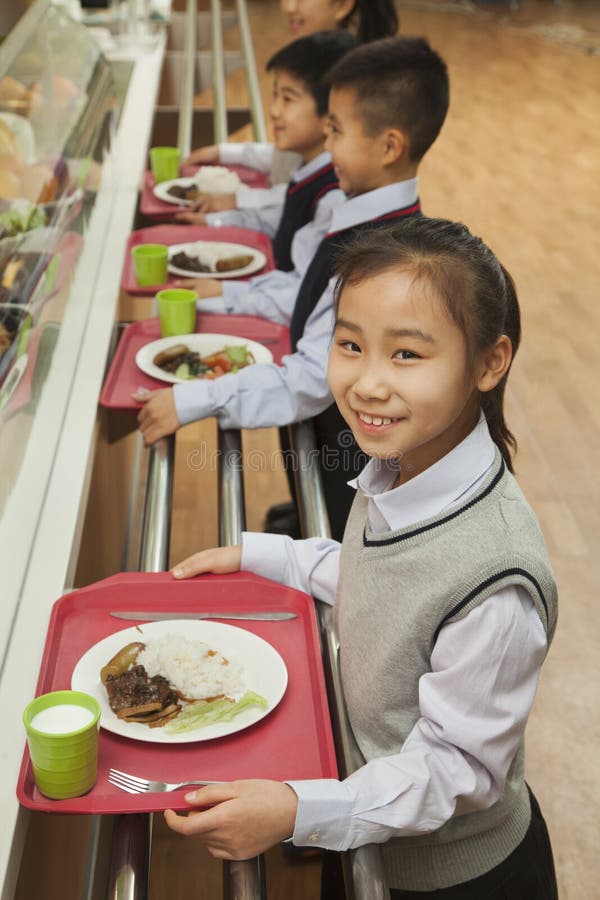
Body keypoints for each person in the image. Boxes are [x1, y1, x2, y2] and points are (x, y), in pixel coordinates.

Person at [162, 217, 559, 900]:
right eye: (350, 344)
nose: (368, 383)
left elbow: (454, 772)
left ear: (491, 362)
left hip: (450, 878)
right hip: (366, 831)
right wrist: (263, 555)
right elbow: (379, 575)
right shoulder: (404, 464)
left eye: (406, 354)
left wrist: (298, 811)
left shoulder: (497, 576)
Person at [134, 37, 450, 541]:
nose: (327, 149)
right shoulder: (362, 217)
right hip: (340, 447)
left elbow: (308, 379)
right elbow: (305, 287)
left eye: (338, 133)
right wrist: (225, 297)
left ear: (390, 146)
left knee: (345, 538)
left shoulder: (380, 260)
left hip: (354, 462)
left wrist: (195, 399)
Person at [180, 0, 399, 218]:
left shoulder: (348, 90)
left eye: (288, 98)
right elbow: (290, 161)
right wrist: (225, 153)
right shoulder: (312, 66)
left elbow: (307, 189)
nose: (288, 7)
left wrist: (238, 202)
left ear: (342, 6)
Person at [175, 30, 354, 274]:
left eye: (288, 99)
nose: (274, 110)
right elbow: (278, 221)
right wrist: (215, 222)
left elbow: (301, 288)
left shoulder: (332, 193)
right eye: (275, 95)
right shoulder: (308, 169)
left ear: (330, 114)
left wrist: (224, 295)